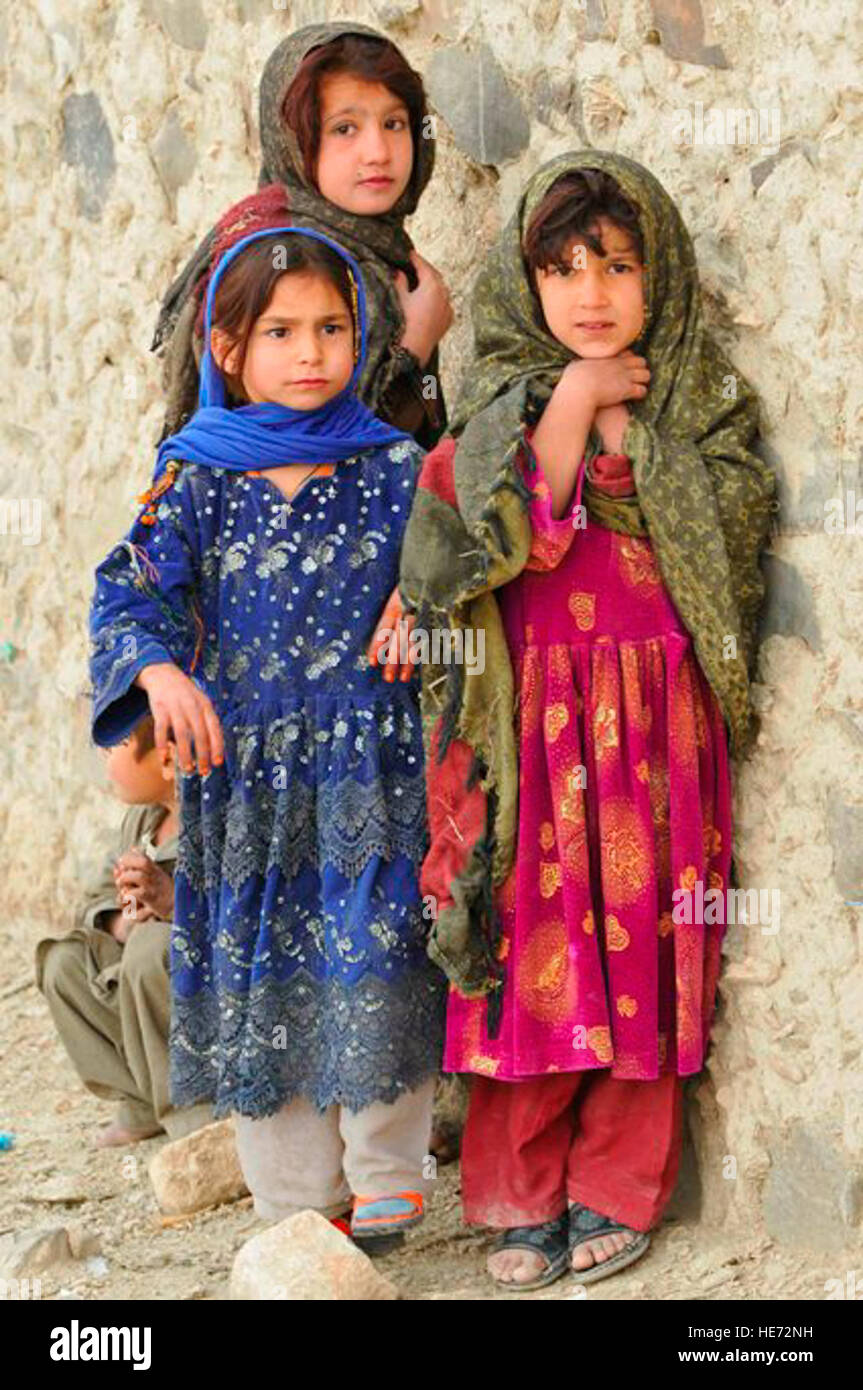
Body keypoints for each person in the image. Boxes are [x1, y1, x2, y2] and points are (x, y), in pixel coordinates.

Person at [399, 152, 777, 1289]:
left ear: (655, 269)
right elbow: (487, 538)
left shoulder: (698, 402)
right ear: (526, 284)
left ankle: (616, 1183)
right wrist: (571, 401)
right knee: (528, 944)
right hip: (533, 729)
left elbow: (732, 510)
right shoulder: (501, 402)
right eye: (561, 267)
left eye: (615, 263)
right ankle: (516, 1191)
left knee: (647, 942)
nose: (592, 291)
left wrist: (640, 444)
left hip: (657, 729)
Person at [89, 221, 446, 1247]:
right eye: (279, 331)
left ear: (361, 336)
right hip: (242, 776)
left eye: (330, 328)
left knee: (376, 946)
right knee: (257, 966)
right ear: (227, 350)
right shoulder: (193, 476)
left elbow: (452, 561)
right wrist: (157, 671)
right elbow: (128, 591)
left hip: (368, 764)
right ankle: (296, 1201)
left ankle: (386, 1167)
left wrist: (420, 603)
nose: (308, 352)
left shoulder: (390, 466)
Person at [153, 21, 452, 451]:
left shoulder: (372, 248)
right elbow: (311, 455)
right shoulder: (285, 259)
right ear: (292, 139)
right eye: (344, 129)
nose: (378, 152)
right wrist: (414, 347)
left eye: (395, 124)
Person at [36, 714, 211, 1147]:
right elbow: (94, 899)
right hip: (137, 981)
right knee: (63, 961)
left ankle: (196, 1115)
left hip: (207, 996)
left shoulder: (214, 821)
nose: (103, 757)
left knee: (152, 948)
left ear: (166, 759)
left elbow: (249, 912)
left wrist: (172, 904)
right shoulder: (142, 823)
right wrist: (121, 919)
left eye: (113, 748)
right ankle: (139, 1099)